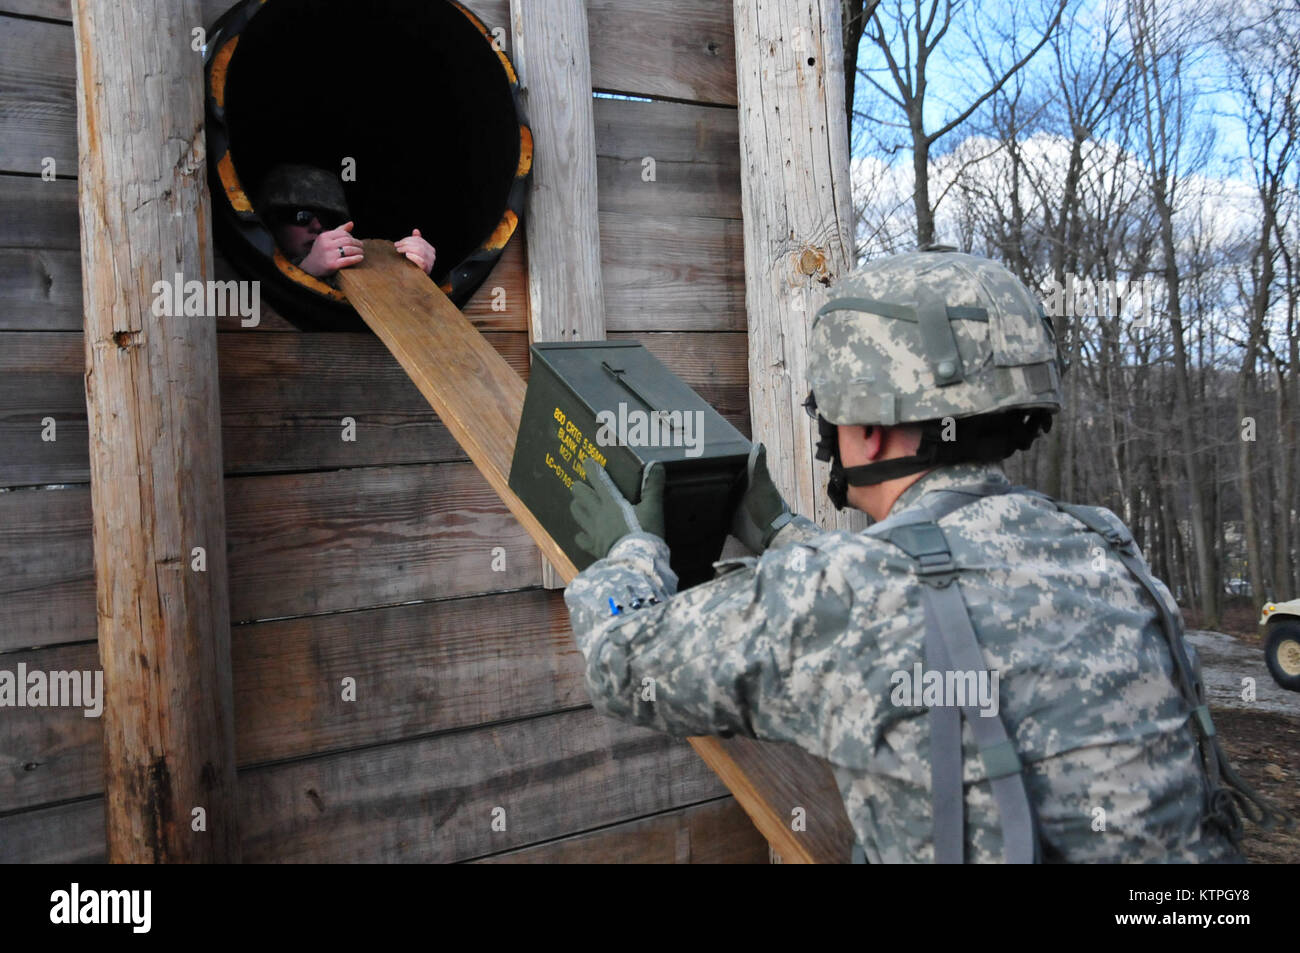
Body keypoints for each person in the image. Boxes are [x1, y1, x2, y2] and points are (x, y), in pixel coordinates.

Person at [563, 247, 1288, 863]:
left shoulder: (847, 593)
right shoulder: (1107, 545)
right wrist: (784, 532)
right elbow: (933, 581)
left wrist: (631, 551)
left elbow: (622, 662)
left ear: (867, 430)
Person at [255, 164, 436, 279]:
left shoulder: (359, 269)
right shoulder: (251, 273)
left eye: (328, 219)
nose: (318, 226)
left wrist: (413, 273)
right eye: (302, 217)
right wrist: (308, 270)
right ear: (273, 221)